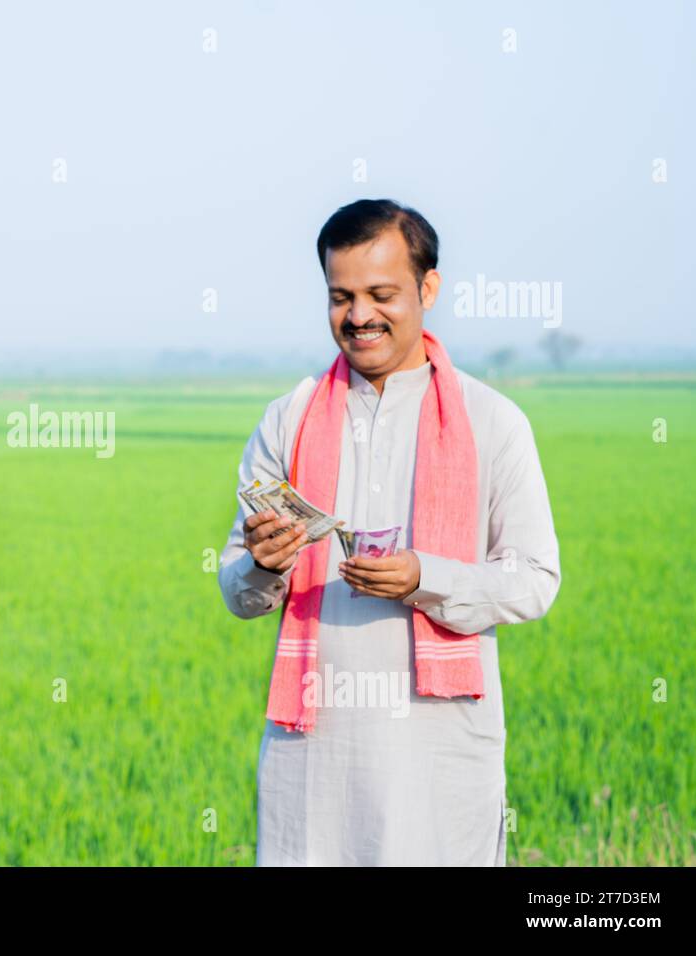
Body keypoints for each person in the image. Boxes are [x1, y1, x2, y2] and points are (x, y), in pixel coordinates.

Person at [217, 199, 560, 866]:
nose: (359, 316)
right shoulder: (288, 418)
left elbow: (536, 580)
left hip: (439, 754)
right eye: (341, 296)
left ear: (428, 288)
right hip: (311, 754)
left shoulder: (493, 422)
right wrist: (262, 565)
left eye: (382, 294)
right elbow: (236, 589)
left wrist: (426, 578)